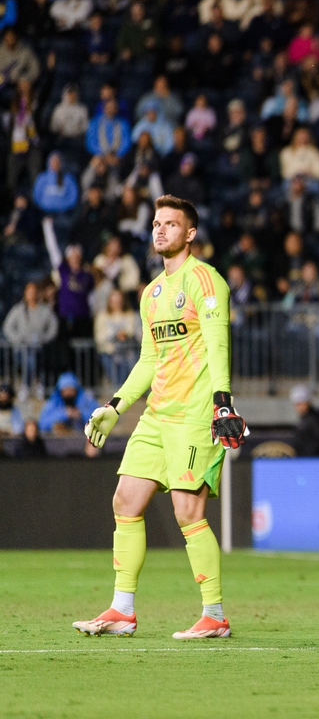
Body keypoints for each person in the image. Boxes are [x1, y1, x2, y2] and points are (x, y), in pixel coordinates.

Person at [74, 195, 247, 640]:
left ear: (190, 233)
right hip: (156, 416)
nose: (160, 229)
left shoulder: (206, 281)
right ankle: (122, 610)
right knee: (125, 501)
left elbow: (217, 344)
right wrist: (115, 407)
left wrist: (223, 402)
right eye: (156, 223)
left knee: (187, 510)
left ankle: (215, 615)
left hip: (195, 414)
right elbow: (149, 361)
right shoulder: (151, 293)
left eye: (170, 223)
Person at [94, 288, 140, 387]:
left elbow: (134, 330)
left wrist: (126, 334)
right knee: (116, 381)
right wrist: (115, 335)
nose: (117, 303)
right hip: (109, 353)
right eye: (114, 301)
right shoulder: (102, 316)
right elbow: (100, 337)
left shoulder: (130, 314)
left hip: (127, 352)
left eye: (119, 300)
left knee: (129, 380)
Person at [290, 384, 319, 456]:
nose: (299, 406)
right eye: (297, 404)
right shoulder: (305, 418)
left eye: (301, 403)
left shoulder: (314, 419)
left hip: (311, 459)